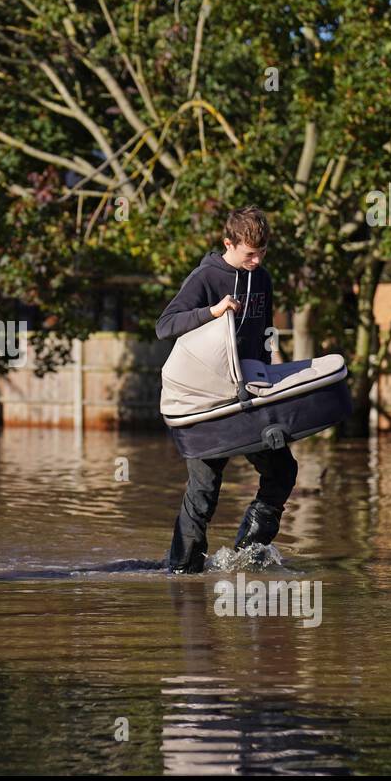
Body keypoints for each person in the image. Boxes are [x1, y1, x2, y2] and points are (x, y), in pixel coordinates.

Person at [156, 206, 298, 573]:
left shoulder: (262, 278)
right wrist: (213, 312)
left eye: (262, 253)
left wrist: (273, 375)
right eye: (249, 253)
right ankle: (182, 570)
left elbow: (265, 332)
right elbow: (165, 325)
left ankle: (247, 555)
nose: (256, 260)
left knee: (282, 471)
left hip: (251, 397)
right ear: (228, 243)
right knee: (204, 492)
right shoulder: (206, 277)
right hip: (207, 402)